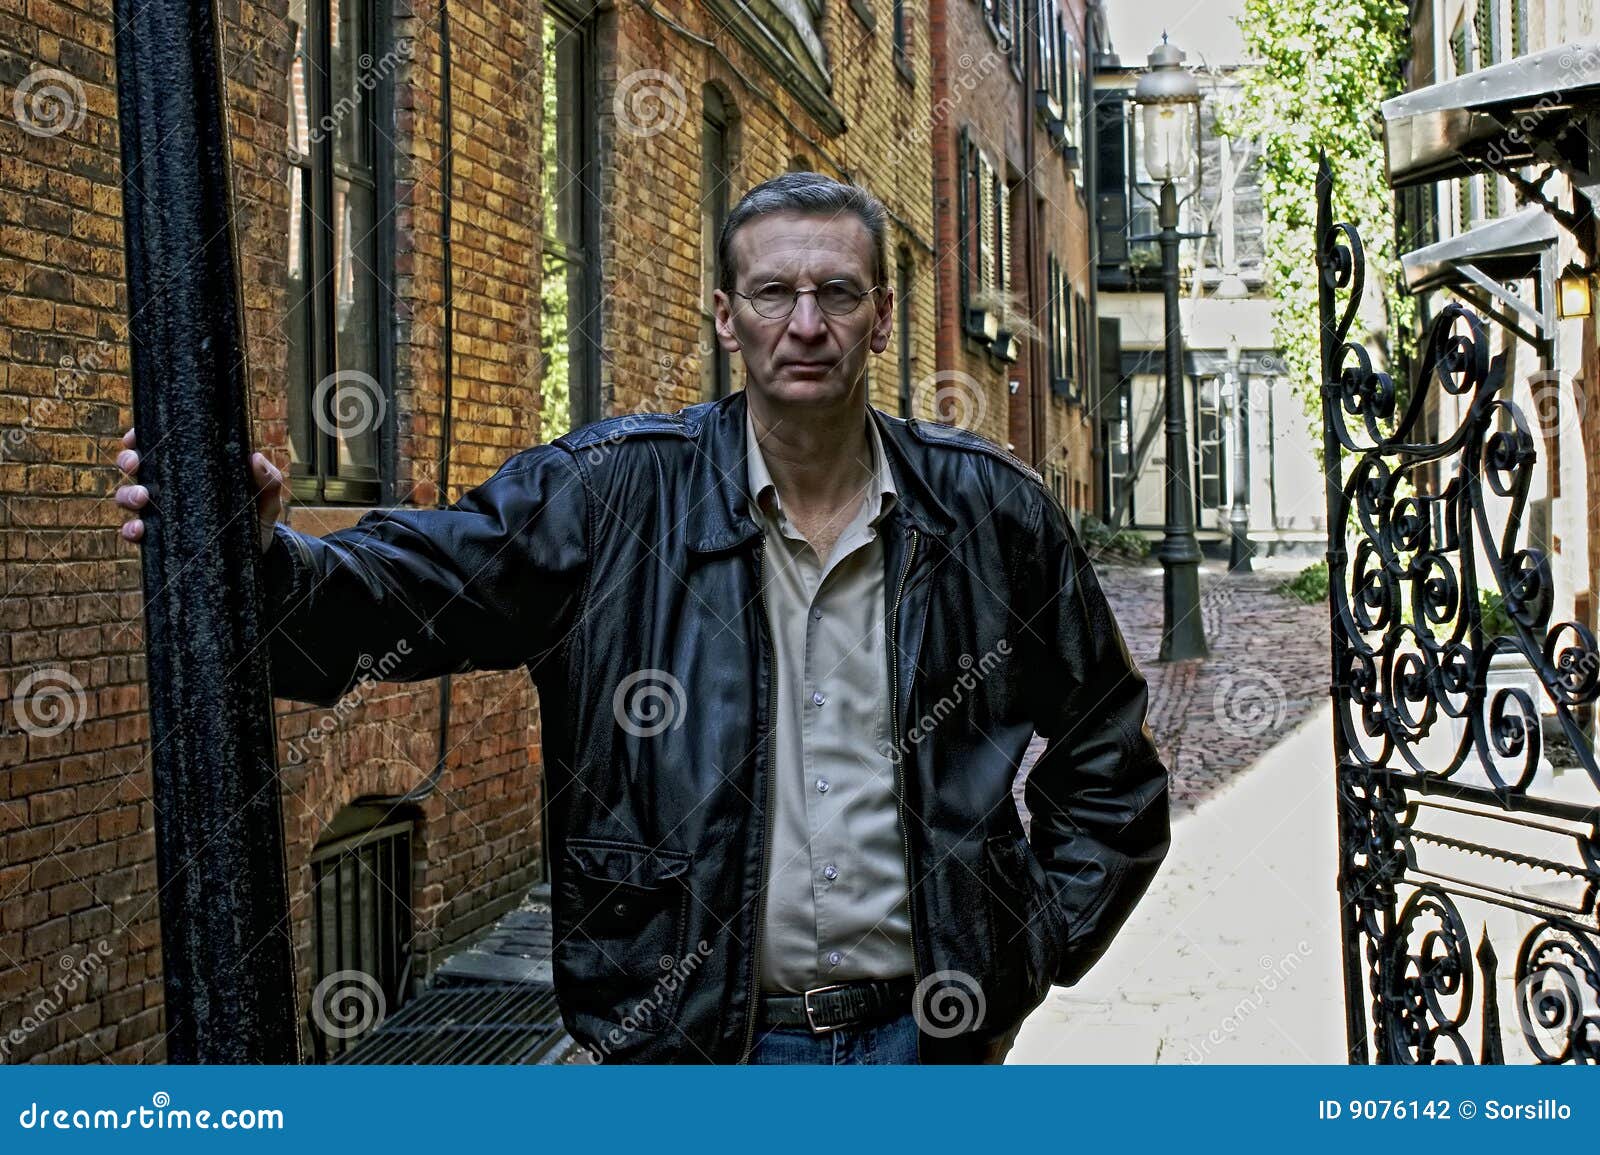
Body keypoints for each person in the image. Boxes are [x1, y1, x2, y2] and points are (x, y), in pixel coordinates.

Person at [116, 172, 1170, 1064]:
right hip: (693, 1050)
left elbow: (1109, 766)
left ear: (882, 316)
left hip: (923, 1048)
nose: (806, 326)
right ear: (725, 315)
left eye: (838, 295)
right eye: (773, 294)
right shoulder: (612, 497)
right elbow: (409, 591)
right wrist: (257, 557)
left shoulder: (989, 513)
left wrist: (1022, 941)